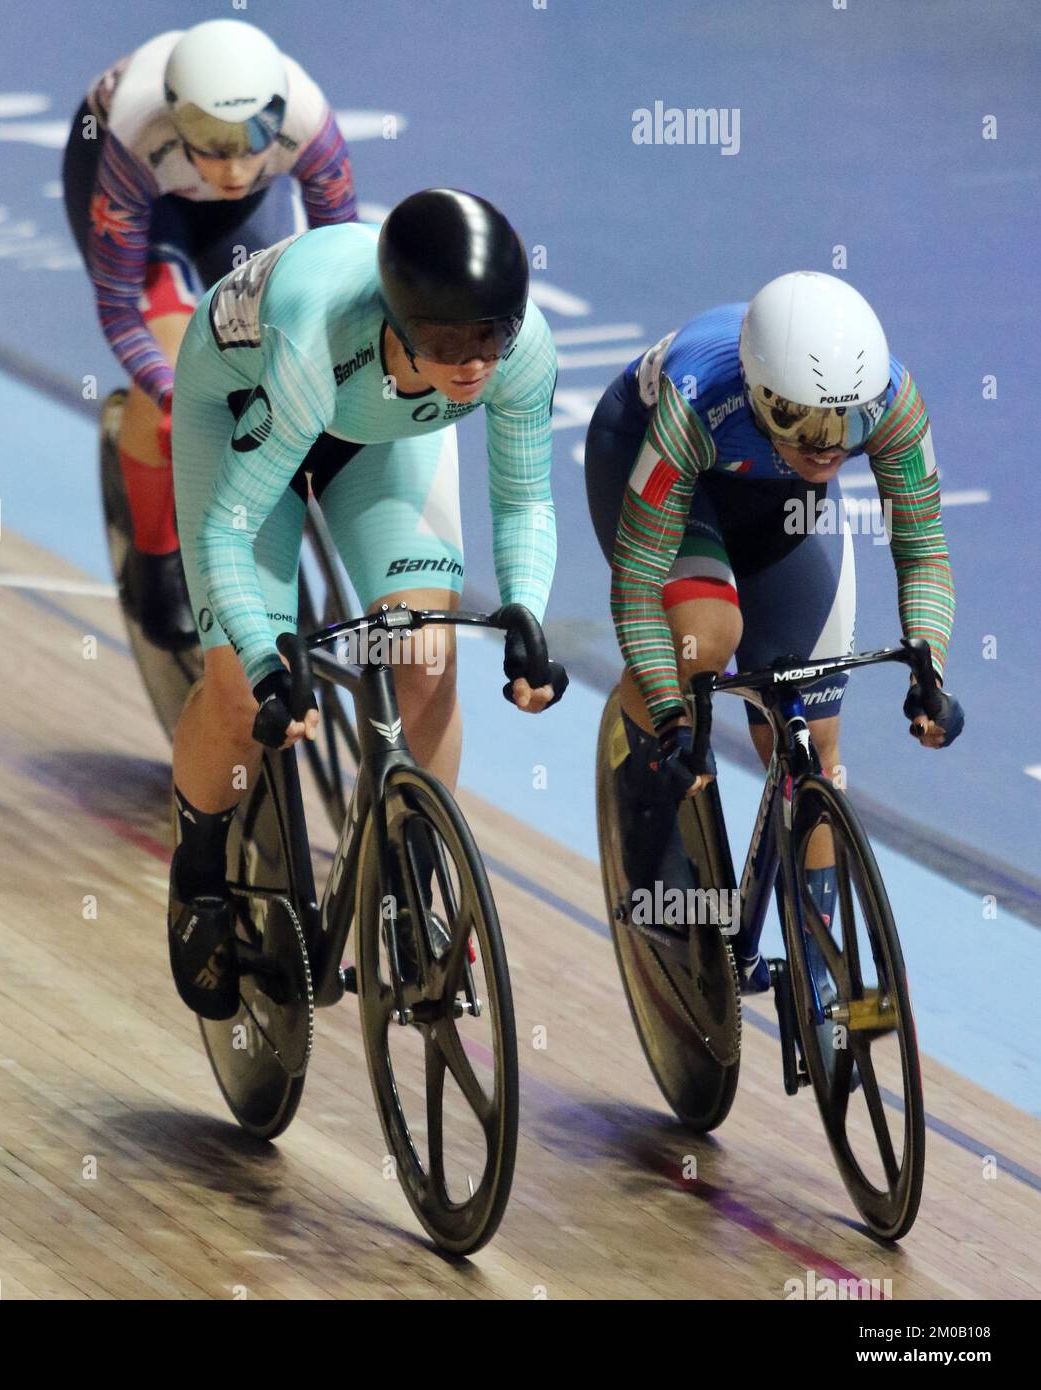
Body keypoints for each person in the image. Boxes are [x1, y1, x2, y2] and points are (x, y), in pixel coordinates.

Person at [165, 188, 568, 1020]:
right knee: (243, 693)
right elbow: (225, 533)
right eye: (449, 342)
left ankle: (412, 885)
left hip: (383, 431)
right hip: (245, 405)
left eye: (489, 337)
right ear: (396, 319)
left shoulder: (516, 350)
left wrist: (526, 611)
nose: (473, 365)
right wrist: (265, 662)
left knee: (423, 652)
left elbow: (526, 499)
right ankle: (198, 874)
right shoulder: (316, 339)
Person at [584, 270, 964, 992]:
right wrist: (672, 717)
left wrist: (931, 670)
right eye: (806, 424)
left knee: (813, 743)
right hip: (660, 468)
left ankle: (824, 980)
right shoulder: (699, 400)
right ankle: (643, 796)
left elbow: (923, 550)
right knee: (708, 636)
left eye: (847, 425)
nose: (828, 448)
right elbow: (636, 582)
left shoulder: (891, 401)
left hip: (777, 510)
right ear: (759, 395)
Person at [62, 18, 358, 650]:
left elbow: (345, 273)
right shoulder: (137, 134)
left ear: (278, 116)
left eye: (254, 139)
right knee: (173, 348)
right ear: (175, 119)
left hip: (239, 216)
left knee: (284, 317)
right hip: (151, 197)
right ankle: (153, 556)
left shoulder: (310, 125)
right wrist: (176, 392)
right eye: (212, 143)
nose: (234, 164)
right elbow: (118, 307)